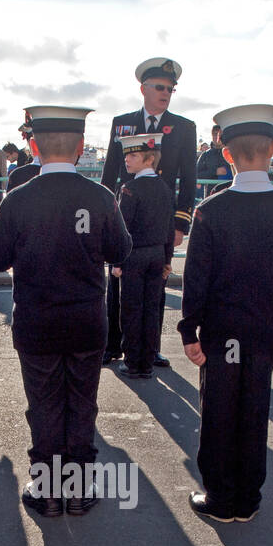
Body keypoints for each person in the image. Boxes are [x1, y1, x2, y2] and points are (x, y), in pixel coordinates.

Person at [0, 105, 131, 517]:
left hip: (37, 319)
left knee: (43, 403)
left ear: (33, 146)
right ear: (82, 147)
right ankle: (80, 489)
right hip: (86, 318)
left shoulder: (17, 199)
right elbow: (121, 250)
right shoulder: (101, 197)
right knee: (82, 402)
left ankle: (47, 489)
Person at [179, 104, 273, 523]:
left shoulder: (210, 211)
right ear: (272, 149)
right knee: (254, 411)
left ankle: (220, 496)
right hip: (263, 330)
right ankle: (248, 497)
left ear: (227, 154)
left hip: (219, 332)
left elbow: (196, 279)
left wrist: (188, 331)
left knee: (217, 411)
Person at [100, 57, 197, 364]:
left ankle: (150, 348)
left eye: (170, 89)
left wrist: (181, 223)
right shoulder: (123, 123)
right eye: (159, 87)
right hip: (125, 216)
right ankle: (114, 345)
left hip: (159, 219)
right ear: (143, 88)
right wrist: (104, 216)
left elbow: (189, 179)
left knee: (155, 285)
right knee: (116, 282)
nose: (165, 93)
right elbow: (109, 172)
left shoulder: (183, 127)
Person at [111, 133, 174, 379]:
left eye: (133, 155)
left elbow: (122, 228)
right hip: (157, 254)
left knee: (131, 309)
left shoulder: (130, 189)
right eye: (127, 154)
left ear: (149, 159)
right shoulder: (165, 188)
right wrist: (167, 259)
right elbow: (169, 228)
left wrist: (117, 261)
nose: (127, 159)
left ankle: (133, 361)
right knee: (150, 309)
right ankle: (147, 361)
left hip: (134, 255)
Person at [195, 123, 229, 199]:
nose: (217, 137)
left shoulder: (232, 152)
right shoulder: (205, 155)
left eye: (219, 134)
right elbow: (196, 174)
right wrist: (214, 172)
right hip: (210, 196)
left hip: (230, 195)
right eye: (214, 134)